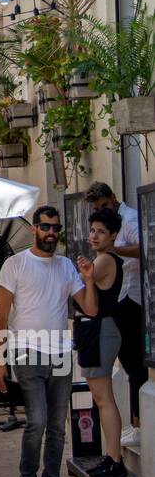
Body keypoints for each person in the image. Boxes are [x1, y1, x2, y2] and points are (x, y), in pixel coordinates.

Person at [0, 205, 97, 477]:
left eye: (56, 228)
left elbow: (90, 309)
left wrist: (88, 279)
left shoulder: (66, 267)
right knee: (37, 421)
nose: (51, 232)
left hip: (61, 354)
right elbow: (0, 316)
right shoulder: (15, 265)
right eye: (46, 226)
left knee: (57, 427)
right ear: (35, 229)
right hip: (26, 352)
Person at [86, 181, 144, 448]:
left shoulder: (130, 219)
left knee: (135, 364)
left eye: (105, 206)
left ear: (113, 198)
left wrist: (114, 251)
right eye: (97, 209)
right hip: (121, 297)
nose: (102, 210)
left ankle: (140, 423)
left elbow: (144, 248)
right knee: (130, 364)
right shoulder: (108, 225)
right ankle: (136, 422)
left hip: (133, 297)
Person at [73, 208, 127, 477]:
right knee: (101, 397)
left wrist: (85, 278)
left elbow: (90, 302)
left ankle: (114, 459)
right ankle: (112, 456)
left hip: (100, 329)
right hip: (96, 330)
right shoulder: (100, 260)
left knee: (104, 399)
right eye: (92, 230)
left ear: (113, 235)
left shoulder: (106, 260)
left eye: (101, 232)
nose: (94, 236)